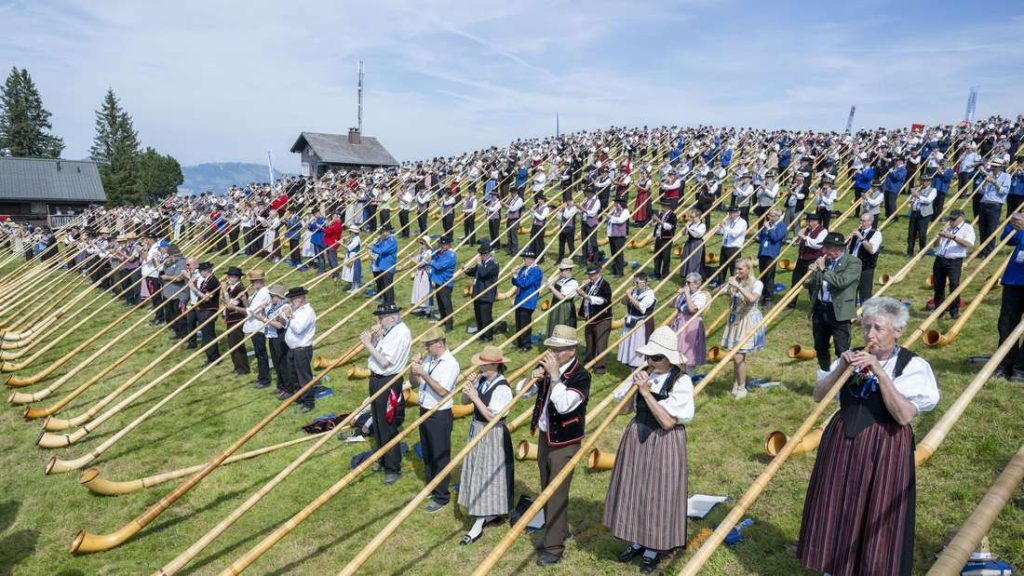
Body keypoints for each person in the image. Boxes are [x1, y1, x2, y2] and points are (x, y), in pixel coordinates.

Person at [798, 296, 939, 576]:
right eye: (866, 327)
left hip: (884, 446)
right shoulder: (852, 356)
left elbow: (903, 415)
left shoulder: (913, 366)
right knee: (834, 502)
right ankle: (833, 565)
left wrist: (879, 372)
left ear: (898, 331)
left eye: (878, 328)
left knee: (877, 508)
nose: (870, 335)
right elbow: (818, 396)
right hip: (842, 441)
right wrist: (841, 367)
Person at [605, 326, 694, 573]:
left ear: (669, 359)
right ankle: (637, 539)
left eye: (656, 357)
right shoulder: (643, 374)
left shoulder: (681, 380)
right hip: (638, 435)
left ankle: (654, 546)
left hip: (664, 440)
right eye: (648, 357)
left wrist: (645, 392)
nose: (650, 362)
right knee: (634, 487)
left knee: (658, 492)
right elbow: (623, 410)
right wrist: (633, 388)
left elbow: (667, 421)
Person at [523, 324, 591, 566]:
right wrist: (531, 381)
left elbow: (563, 405)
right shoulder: (548, 369)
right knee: (546, 489)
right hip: (545, 437)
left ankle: (554, 546)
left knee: (557, 493)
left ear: (571, 350)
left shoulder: (581, 375)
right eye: (550, 347)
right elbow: (524, 395)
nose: (551, 352)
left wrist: (553, 377)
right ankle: (558, 529)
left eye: (557, 349)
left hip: (565, 442)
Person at [458, 345, 515, 545]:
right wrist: (469, 390)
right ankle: (485, 512)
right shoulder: (482, 380)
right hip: (477, 430)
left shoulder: (503, 388)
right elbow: (465, 402)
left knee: (487, 474)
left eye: (483, 365)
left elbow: (493, 416)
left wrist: (475, 397)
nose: (480, 368)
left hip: (492, 434)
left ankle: (481, 518)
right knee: (476, 470)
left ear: (495, 365)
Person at [359, 303, 412, 485]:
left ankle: (393, 467)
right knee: (378, 421)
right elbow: (377, 354)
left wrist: (367, 344)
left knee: (387, 424)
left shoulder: (400, 333)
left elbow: (384, 362)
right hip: (377, 379)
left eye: (381, 318)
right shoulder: (390, 331)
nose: (379, 321)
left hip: (388, 381)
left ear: (392, 317)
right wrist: (374, 339)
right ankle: (382, 458)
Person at [411, 326, 460, 512]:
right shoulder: (430, 359)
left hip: (439, 414)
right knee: (428, 452)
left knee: (440, 455)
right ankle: (431, 486)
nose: (425, 348)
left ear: (439, 344)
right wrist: (414, 371)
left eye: (428, 345)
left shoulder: (450, 363)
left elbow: (442, 391)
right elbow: (416, 384)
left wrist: (424, 373)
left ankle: (441, 496)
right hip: (425, 410)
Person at [804, 232, 861, 373]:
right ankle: (826, 375)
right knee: (820, 347)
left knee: (842, 350)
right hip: (820, 309)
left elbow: (841, 282)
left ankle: (843, 381)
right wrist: (810, 275)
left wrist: (823, 270)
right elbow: (812, 285)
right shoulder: (826, 261)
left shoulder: (853, 262)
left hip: (838, 311)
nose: (824, 251)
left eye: (827, 248)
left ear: (838, 249)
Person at [720, 257, 766, 399]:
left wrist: (738, 287)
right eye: (736, 268)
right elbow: (717, 292)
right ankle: (737, 383)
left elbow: (752, 299)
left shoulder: (756, 283)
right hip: (735, 319)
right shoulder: (736, 281)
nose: (737, 271)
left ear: (748, 269)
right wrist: (725, 285)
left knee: (739, 355)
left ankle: (742, 387)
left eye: (740, 268)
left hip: (748, 320)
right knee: (736, 355)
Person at [994, 212, 1024, 382]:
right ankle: (1004, 364)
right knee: (1006, 324)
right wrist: (1012, 224)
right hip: (1014, 279)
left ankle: (1020, 369)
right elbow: (1008, 239)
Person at [931, 209, 976, 319]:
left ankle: (954, 310)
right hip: (940, 259)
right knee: (938, 285)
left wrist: (953, 237)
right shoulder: (948, 227)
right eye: (950, 219)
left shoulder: (967, 228)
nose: (951, 221)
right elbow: (935, 246)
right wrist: (939, 236)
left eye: (953, 219)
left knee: (954, 285)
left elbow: (968, 244)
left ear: (961, 218)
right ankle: (939, 310)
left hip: (954, 261)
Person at [283, 286, 317, 412]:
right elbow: (288, 326)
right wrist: (285, 317)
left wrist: (290, 316)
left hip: (302, 349)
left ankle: (309, 402)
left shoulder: (308, 312)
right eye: (291, 299)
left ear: (301, 298)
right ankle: (299, 398)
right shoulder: (296, 310)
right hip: (293, 348)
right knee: (294, 376)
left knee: (304, 377)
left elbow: (298, 329)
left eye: (293, 298)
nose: (291, 301)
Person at [254, 284, 292, 396]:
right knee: (276, 363)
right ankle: (280, 386)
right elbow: (260, 317)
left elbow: (280, 325)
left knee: (283, 364)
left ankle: (288, 388)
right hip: (272, 337)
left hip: (280, 337)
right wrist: (260, 310)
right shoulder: (272, 307)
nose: (270, 299)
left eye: (272, 296)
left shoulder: (285, 307)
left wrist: (265, 319)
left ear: (278, 296)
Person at [577, 263, 613, 375]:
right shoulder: (589, 284)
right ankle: (589, 362)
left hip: (602, 319)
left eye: (592, 275)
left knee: (600, 343)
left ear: (598, 273)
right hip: (589, 318)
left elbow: (602, 300)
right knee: (589, 342)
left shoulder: (604, 285)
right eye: (589, 275)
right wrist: (582, 288)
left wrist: (586, 296)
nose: (590, 277)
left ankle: (600, 367)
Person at [787, 212, 827, 309]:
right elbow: (800, 243)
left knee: (812, 284)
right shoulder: (806, 230)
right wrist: (798, 240)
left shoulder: (823, 231)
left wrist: (804, 237)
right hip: (801, 259)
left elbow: (817, 244)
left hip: (813, 260)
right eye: (808, 221)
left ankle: (814, 305)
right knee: (795, 281)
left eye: (810, 221)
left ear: (816, 222)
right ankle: (791, 303)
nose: (808, 223)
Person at [671, 273, 708, 376]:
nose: (686, 284)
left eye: (689, 282)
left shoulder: (701, 296)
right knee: (677, 353)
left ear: (697, 284)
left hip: (691, 327)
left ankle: (688, 379)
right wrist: (678, 294)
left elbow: (692, 309)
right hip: (679, 324)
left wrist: (687, 294)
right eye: (685, 282)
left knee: (688, 354)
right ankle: (676, 378)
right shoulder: (684, 294)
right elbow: (672, 305)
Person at [617, 272, 657, 368]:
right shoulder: (634, 291)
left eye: (637, 282)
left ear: (644, 282)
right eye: (634, 282)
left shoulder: (649, 294)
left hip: (641, 323)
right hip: (630, 321)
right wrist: (627, 295)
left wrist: (630, 296)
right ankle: (631, 368)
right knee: (629, 347)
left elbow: (641, 308)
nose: (635, 285)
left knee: (637, 347)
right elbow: (623, 302)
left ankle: (639, 368)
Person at [463, 240, 499, 340]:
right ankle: (481, 333)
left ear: (488, 254)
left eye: (483, 254)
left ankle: (488, 336)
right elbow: (474, 272)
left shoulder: (493, 264)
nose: (481, 256)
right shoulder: (482, 263)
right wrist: (466, 270)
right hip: (478, 292)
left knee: (485, 317)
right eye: (481, 254)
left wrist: (479, 264)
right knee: (478, 315)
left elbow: (483, 274)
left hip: (486, 294)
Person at [242, 269, 272, 387]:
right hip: (254, 326)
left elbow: (253, 311)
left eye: (255, 281)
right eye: (252, 282)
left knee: (261, 353)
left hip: (259, 327)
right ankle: (261, 376)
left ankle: (264, 379)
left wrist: (237, 308)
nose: (254, 284)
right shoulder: (257, 292)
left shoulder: (264, 293)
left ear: (261, 281)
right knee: (258, 353)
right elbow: (250, 307)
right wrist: (245, 301)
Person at [976, 159, 1012, 257]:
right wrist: (986, 182)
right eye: (992, 166)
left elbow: (1004, 191)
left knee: (991, 229)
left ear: (1000, 167)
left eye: (995, 166)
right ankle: (982, 251)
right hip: (984, 203)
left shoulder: (1006, 176)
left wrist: (995, 182)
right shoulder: (989, 175)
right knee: (982, 229)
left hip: (995, 205)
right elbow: (981, 191)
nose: (993, 168)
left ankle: (989, 252)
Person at [847, 212, 883, 306]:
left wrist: (861, 237)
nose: (861, 223)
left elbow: (871, 250)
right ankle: (850, 315)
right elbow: (849, 249)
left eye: (864, 221)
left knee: (865, 294)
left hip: (865, 267)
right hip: (852, 266)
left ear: (870, 222)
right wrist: (847, 241)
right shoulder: (858, 232)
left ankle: (866, 316)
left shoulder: (876, 234)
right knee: (850, 292)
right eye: (861, 220)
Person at [511, 250, 543, 351]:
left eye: (525, 259)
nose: (524, 260)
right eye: (524, 258)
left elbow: (525, 283)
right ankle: (520, 342)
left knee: (525, 323)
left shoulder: (536, 271)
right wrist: (515, 276)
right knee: (519, 322)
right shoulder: (524, 269)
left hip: (528, 300)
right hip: (520, 298)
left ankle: (526, 344)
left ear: (532, 260)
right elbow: (516, 282)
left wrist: (516, 277)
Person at [221, 266, 250, 376]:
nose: (230, 278)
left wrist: (224, 291)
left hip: (237, 320)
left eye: (233, 276)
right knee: (231, 344)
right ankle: (237, 366)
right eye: (229, 276)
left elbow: (230, 306)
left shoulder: (241, 289)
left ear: (238, 278)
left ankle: (243, 368)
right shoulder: (231, 287)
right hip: (230, 319)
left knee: (237, 344)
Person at [190, 261, 221, 365]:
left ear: (206, 271)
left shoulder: (213, 281)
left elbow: (207, 298)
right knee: (206, 335)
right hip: (203, 310)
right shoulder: (206, 280)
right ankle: (211, 356)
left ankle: (214, 357)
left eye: (201, 271)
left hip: (209, 310)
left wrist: (193, 288)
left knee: (209, 335)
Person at [756, 209, 787, 306]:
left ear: (778, 216)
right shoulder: (768, 224)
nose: (770, 217)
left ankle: (768, 298)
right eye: (769, 215)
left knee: (769, 276)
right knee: (763, 276)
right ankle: (763, 295)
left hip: (771, 253)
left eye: (772, 215)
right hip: (763, 253)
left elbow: (775, 238)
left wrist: (769, 229)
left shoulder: (782, 226)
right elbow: (762, 237)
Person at [713, 205, 747, 287]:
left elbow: (734, 234)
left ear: (738, 213)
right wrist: (719, 228)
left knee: (734, 268)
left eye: (732, 212)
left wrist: (724, 227)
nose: (730, 214)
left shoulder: (742, 222)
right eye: (730, 212)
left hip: (734, 248)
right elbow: (723, 232)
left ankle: (735, 285)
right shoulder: (728, 220)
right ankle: (720, 284)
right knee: (722, 267)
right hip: (725, 246)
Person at [429, 236, 457, 331]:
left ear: (448, 244)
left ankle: (449, 324)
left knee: (446, 305)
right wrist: (434, 251)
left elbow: (439, 266)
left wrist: (430, 261)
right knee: (440, 302)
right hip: (438, 281)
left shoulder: (450, 255)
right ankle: (443, 319)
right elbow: (434, 257)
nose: (441, 246)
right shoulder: (443, 252)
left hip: (445, 283)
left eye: (442, 244)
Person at [546, 259, 579, 336]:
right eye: (560, 270)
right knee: (553, 324)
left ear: (568, 270)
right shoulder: (561, 279)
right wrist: (557, 278)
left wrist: (552, 288)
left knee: (563, 327)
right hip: (555, 305)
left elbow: (562, 297)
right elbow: (548, 285)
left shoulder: (572, 282)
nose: (560, 272)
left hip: (565, 308)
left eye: (562, 270)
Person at [906, 184, 937, 256]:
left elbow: (928, 200)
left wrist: (918, 196)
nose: (923, 182)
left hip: (924, 214)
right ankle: (909, 252)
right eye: (922, 180)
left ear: (929, 181)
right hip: (914, 213)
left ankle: (922, 252)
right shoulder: (917, 189)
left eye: (925, 181)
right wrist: (911, 200)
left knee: (922, 234)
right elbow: (909, 201)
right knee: (911, 234)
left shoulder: (933, 190)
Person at [370, 223, 398, 304]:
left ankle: (389, 302)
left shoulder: (392, 241)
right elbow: (378, 247)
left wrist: (372, 248)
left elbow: (382, 250)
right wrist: (376, 242)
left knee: (388, 286)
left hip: (388, 266)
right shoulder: (385, 240)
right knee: (383, 285)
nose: (383, 233)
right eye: (383, 231)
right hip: (382, 265)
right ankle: (385, 301)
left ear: (389, 231)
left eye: (384, 231)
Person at [651, 198, 677, 280]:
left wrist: (658, 221)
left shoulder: (673, 215)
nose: (661, 207)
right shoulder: (661, 214)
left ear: (667, 207)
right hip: (659, 237)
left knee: (665, 257)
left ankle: (664, 275)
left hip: (666, 238)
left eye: (663, 206)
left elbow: (669, 226)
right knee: (657, 256)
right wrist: (654, 220)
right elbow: (654, 224)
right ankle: (656, 273)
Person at [679, 207, 706, 280]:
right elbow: (684, 233)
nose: (692, 219)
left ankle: (693, 277)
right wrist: (685, 229)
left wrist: (688, 229)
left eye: (693, 217)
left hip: (697, 243)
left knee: (694, 260)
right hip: (689, 243)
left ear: (698, 217)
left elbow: (696, 235)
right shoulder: (691, 224)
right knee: (686, 259)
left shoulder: (702, 225)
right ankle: (686, 275)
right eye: (691, 217)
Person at [606, 196, 630, 277]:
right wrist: (610, 213)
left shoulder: (625, 211)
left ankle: (620, 272)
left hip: (619, 235)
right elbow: (609, 219)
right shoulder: (615, 211)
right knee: (613, 253)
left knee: (618, 254)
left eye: (616, 203)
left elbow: (620, 220)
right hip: (612, 234)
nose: (615, 204)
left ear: (621, 204)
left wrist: (611, 217)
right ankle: (615, 270)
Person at [411, 237, 434, 315]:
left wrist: (411, 259)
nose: (421, 245)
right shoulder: (422, 251)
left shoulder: (429, 252)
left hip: (425, 273)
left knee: (425, 290)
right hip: (419, 272)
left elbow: (422, 263)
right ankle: (421, 308)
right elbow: (417, 260)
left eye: (423, 243)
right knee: (419, 290)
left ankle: (427, 310)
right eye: (421, 243)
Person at [340, 225, 362, 292]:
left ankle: (356, 287)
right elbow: (348, 245)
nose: (350, 233)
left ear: (354, 232)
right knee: (350, 272)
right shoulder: (353, 238)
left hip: (354, 256)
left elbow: (349, 247)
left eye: (350, 232)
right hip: (350, 255)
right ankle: (353, 287)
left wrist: (341, 244)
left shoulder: (357, 239)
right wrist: (344, 242)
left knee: (354, 272)